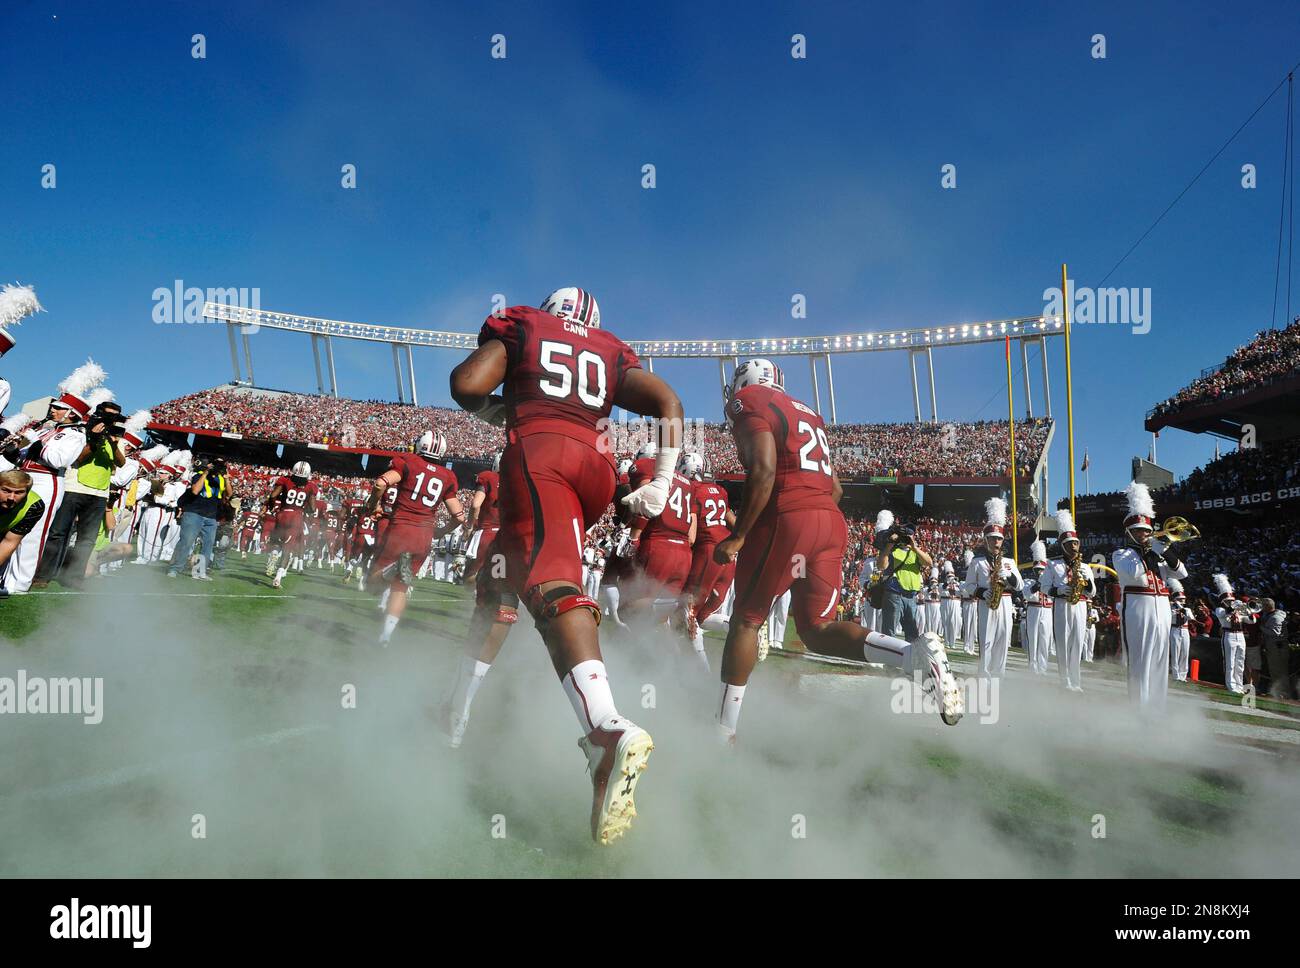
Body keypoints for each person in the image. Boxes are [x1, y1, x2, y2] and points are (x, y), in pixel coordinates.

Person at [449, 287, 677, 845]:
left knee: (552, 581)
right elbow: (668, 403)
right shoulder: (611, 348)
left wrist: (503, 407)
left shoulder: (524, 324)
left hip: (542, 452)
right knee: (499, 582)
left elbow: (466, 385)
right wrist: (664, 483)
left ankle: (604, 728)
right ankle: (454, 712)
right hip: (594, 467)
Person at [710, 358, 962, 743]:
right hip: (829, 521)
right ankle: (913, 657)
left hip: (790, 516)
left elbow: (763, 469)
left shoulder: (750, 400)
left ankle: (722, 732)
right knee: (816, 629)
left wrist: (740, 534)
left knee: (746, 620)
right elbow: (836, 490)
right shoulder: (808, 413)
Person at [1, 360, 105, 594]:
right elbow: (25, 456)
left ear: (71, 413)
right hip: (26, 477)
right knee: (12, 528)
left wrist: (35, 442)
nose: (53, 410)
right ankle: (5, 577)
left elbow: (59, 460)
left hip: (47, 481)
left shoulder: (75, 435)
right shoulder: (47, 429)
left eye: (58, 408)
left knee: (32, 534)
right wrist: (14, 451)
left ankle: (19, 583)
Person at [369, 431, 464, 646]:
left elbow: (380, 483)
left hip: (401, 528)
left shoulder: (409, 461)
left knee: (373, 582)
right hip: (424, 535)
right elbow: (459, 516)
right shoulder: (448, 476)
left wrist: (372, 504)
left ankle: (390, 570)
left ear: (421, 445)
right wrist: (439, 532)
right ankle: (386, 636)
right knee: (400, 587)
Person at [34, 395, 127, 588]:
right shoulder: (82, 430)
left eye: (115, 416)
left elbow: (120, 462)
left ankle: (74, 577)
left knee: (87, 539)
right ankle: (44, 575)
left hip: (100, 492)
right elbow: (79, 459)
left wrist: (111, 442)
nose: (111, 420)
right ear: (98, 413)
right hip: (74, 486)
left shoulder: (117, 435)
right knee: (59, 533)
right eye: (108, 415)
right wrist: (93, 438)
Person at [1113, 481, 1187, 712]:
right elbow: (1135, 574)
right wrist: (1153, 552)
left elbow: (1182, 573)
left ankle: (1157, 707)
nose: (1144, 534)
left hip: (1162, 607)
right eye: (1139, 531)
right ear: (1129, 532)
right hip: (1138, 607)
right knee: (1140, 659)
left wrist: (1166, 551)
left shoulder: (1158, 552)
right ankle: (1139, 708)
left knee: (1160, 658)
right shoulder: (1122, 553)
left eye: (1146, 530)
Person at [963, 497, 1023, 678]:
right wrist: (982, 592)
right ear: (986, 540)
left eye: (999, 539)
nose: (996, 543)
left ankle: (999, 676)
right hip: (986, 601)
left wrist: (1010, 576)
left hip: (1005, 601)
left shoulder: (1009, 561)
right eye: (992, 539)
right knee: (986, 640)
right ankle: (984, 675)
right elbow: (968, 586)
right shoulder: (977, 562)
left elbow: (1019, 585)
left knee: (1003, 640)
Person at [1041, 509, 1094, 692]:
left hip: (1080, 605)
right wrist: (1059, 590)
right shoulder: (1052, 564)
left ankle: (1076, 681)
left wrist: (1086, 581)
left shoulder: (1086, 566)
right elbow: (1044, 588)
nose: (1074, 547)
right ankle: (1064, 681)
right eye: (1070, 543)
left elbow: (1092, 592)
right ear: (1063, 545)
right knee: (1063, 643)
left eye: (1076, 543)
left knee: (1078, 642)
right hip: (1062, 604)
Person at [166, 458, 232, 580]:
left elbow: (229, 494)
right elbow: (196, 490)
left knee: (208, 545)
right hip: (194, 514)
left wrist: (227, 478)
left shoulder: (221, 479)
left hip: (211, 517)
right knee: (186, 542)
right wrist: (206, 472)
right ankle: (175, 568)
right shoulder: (198, 475)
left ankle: (200, 572)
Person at [873, 509, 932, 640]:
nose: (907, 538)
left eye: (910, 536)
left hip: (911, 596)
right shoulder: (892, 550)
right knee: (890, 631)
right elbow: (881, 566)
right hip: (894, 593)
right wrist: (889, 545)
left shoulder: (915, 552)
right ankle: (888, 658)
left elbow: (928, 562)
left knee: (912, 632)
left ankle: (910, 658)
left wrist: (915, 547)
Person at [264, 461, 317, 588]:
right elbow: (313, 509)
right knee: (288, 549)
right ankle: (277, 578)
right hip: (296, 517)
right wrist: (303, 508)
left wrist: (271, 506)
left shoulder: (285, 480)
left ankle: (274, 554)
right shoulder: (311, 486)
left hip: (283, 514)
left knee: (276, 541)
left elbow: (273, 496)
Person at [0, 470, 45, 591]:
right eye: (6, 490)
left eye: (19, 492)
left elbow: (9, 542)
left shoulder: (34, 506)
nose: (11, 497)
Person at [1212, 573, 1254, 695]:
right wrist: (1231, 609)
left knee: (1240, 661)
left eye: (1232, 600)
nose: (1231, 602)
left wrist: (1250, 612)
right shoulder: (1220, 609)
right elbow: (1223, 614)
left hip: (1240, 636)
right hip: (1229, 635)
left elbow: (1251, 621)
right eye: (1228, 601)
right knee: (1230, 662)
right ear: (1223, 601)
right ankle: (1231, 685)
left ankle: (1239, 685)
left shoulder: (1239, 611)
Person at [1259, 599, 1292, 698]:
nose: (1261, 608)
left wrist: (1261, 628)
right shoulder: (1269, 615)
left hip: (1278, 647)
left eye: (1263, 606)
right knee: (1274, 670)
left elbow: (1275, 633)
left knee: (1279, 671)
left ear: (1268, 606)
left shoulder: (1275, 617)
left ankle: (1283, 693)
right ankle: (1277, 691)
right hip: (1274, 646)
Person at [1167, 578, 1193, 682]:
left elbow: (1191, 618)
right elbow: (1170, 617)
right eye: (1180, 599)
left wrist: (1183, 609)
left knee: (1185, 653)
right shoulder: (1170, 608)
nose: (1183, 601)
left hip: (1185, 630)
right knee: (1175, 653)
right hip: (1175, 630)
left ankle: (1183, 675)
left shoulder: (1187, 609)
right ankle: (1176, 675)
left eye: (1183, 599)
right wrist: (1175, 607)